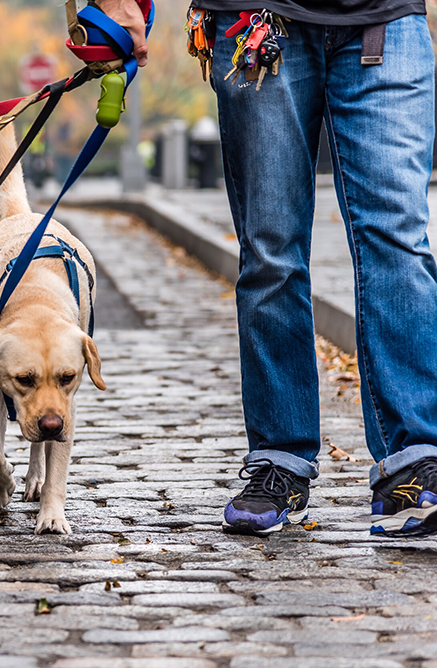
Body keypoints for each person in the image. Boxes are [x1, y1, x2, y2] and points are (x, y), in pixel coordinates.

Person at [176, 0, 437, 537]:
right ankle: (279, 459)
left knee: (398, 240)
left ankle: (416, 460)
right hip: (255, 21)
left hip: (385, 17)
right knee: (271, 251)